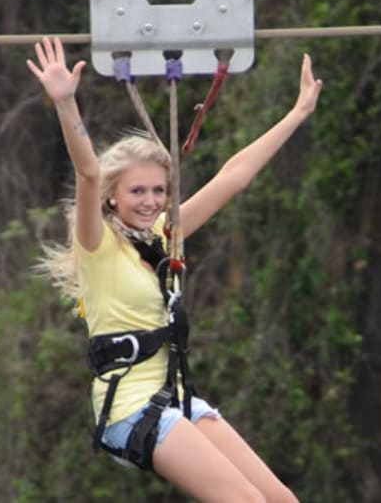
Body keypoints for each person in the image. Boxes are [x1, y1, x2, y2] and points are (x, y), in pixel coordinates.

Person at [29, 36, 321, 503]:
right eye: (137, 192)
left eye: (158, 192)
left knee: (281, 500)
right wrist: (66, 103)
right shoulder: (97, 244)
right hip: (130, 408)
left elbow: (233, 176)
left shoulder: (166, 236)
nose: (151, 203)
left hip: (176, 400)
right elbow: (87, 172)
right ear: (113, 198)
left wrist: (297, 114)